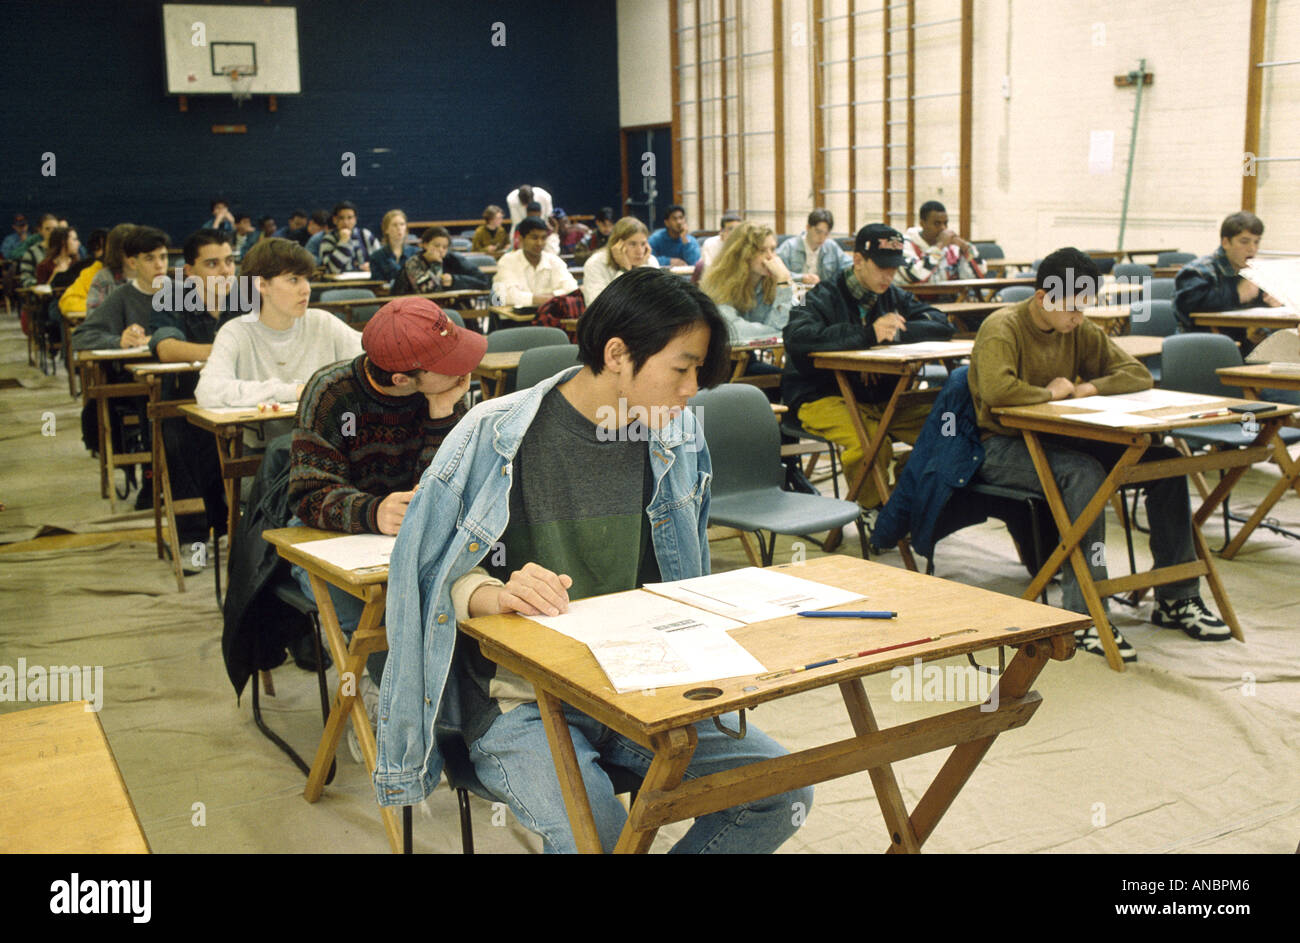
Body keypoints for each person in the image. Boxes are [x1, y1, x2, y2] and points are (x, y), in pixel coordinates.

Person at [374, 267, 814, 853]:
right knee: (596, 836)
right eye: (681, 370)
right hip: (522, 698)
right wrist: (494, 594)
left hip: (641, 683)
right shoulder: (493, 435)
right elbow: (423, 576)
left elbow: (684, 576)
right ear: (616, 353)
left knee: (781, 793)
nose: (692, 391)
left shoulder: (677, 437)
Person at [969, 247, 1229, 661]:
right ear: (1043, 298)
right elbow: (999, 392)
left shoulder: (1077, 329)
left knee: (1165, 465)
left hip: (1058, 439)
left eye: (1085, 306)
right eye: (1072, 307)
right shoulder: (1002, 327)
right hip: (999, 447)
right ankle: (1084, 613)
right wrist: (1050, 393)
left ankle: (1176, 598)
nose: (1079, 317)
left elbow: (1136, 373)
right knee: (1084, 475)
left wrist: (1090, 388)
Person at [288, 296, 486, 701]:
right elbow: (308, 495)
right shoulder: (332, 393)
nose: (463, 370)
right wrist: (372, 511)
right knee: (376, 618)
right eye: (447, 364)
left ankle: (443, 706)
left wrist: (442, 413)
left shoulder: (441, 390)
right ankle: (370, 692)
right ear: (401, 379)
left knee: (456, 597)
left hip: (407, 534)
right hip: (333, 535)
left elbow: (448, 490)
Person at [782, 223, 955, 509]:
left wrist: (895, 332)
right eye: (882, 267)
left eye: (894, 268)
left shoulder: (894, 296)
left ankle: (903, 497)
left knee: (950, 428)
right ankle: (876, 512)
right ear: (858, 260)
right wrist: (868, 335)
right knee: (871, 446)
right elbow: (798, 339)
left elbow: (941, 325)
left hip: (881, 399)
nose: (889, 275)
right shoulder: (819, 296)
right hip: (820, 396)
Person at [195, 237, 362, 439]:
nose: (306, 289)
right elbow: (207, 391)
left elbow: (370, 361)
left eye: (307, 279)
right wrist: (294, 391)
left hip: (325, 446)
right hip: (264, 455)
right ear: (262, 285)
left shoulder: (323, 322)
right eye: (294, 280)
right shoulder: (236, 332)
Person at [148, 228, 242, 540]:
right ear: (189, 272)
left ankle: (247, 528)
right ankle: (205, 529)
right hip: (187, 400)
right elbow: (167, 348)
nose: (225, 270)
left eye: (229, 261)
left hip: (241, 397)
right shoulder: (172, 296)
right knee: (185, 445)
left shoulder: (247, 295)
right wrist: (228, 349)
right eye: (212, 264)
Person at [1174, 211, 1281, 344]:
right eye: (1244, 242)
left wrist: (1272, 306)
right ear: (1226, 243)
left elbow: (1259, 315)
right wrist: (1237, 294)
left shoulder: (1255, 273)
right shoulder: (1197, 271)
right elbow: (1189, 310)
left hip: (1244, 346)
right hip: (1200, 346)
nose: (1252, 248)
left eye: (1256, 242)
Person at [72, 226, 170, 352]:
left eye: (163, 257)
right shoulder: (120, 296)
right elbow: (80, 337)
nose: (159, 265)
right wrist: (119, 341)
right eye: (149, 259)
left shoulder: (183, 293)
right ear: (133, 263)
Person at [700, 221, 794, 343]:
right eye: (762, 250)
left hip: (765, 355)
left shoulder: (777, 280)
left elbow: (797, 322)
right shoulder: (719, 284)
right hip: (729, 358)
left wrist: (784, 284)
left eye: (773, 249)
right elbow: (734, 331)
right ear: (744, 254)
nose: (770, 257)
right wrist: (778, 333)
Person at [492, 216, 578, 307]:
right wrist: (551, 298)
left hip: (550, 316)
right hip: (515, 319)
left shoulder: (554, 261)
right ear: (521, 239)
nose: (539, 243)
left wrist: (532, 299)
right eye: (534, 238)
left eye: (543, 238)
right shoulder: (507, 261)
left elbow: (572, 289)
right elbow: (503, 297)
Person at [895, 200, 983, 287]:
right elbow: (915, 276)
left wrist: (965, 247)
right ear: (922, 223)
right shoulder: (905, 245)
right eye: (937, 223)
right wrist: (939, 247)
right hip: (915, 299)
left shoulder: (951, 247)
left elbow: (980, 272)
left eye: (945, 223)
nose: (943, 228)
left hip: (951, 298)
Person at [580, 215, 658, 305]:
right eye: (633, 244)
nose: (640, 251)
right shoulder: (595, 263)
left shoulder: (650, 261)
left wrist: (640, 269)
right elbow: (597, 308)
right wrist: (624, 271)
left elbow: (656, 303)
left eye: (643, 244)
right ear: (617, 245)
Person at [396, 226, 488, 295]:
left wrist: (454, 280)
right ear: (425, 245)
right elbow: (430, 290)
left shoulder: (453, 259)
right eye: (436, 246)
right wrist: (436, 264)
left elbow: (483, 281)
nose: (440, 250)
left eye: (444, 247)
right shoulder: (413, 263)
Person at [776, 208, 851, 286]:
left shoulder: (831, 247)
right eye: (818, 232)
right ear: (808, 227)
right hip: (794, 293)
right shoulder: (789, 247)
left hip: (822, 295)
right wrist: (801, 278)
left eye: (826, 234)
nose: (822, 237)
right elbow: (776, 272)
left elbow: (849, 264)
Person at [85, 223, 136, 316]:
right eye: (129, 251)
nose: (134, 255)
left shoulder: (151, 277)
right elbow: (93, 318)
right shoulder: (103, 278)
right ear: (117, 253)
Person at [319, 201, 379, 274]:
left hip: (366, 282)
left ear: (355, 219)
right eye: (341, 218)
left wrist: (372, 266)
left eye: (350, 218)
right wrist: (343, 242)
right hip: (338, 284)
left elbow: (381, 260)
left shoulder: (366, 235)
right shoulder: (328, 240)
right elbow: (333, 269)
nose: (346, 222)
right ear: (335, 220)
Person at [369, 209, 416, 284]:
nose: (399, 228)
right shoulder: (376, 257)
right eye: (395, 225)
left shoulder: (416, 253)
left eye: (402, 224)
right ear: (386, 229)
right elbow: (377, 285)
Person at [17, 213, 58, 286]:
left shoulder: (64, 250)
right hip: (41, 293)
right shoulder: (31, 252)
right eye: (47, 229)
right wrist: (41, 286)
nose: (52, 232)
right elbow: (25, 279)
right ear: (40, 230)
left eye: (55, 229)